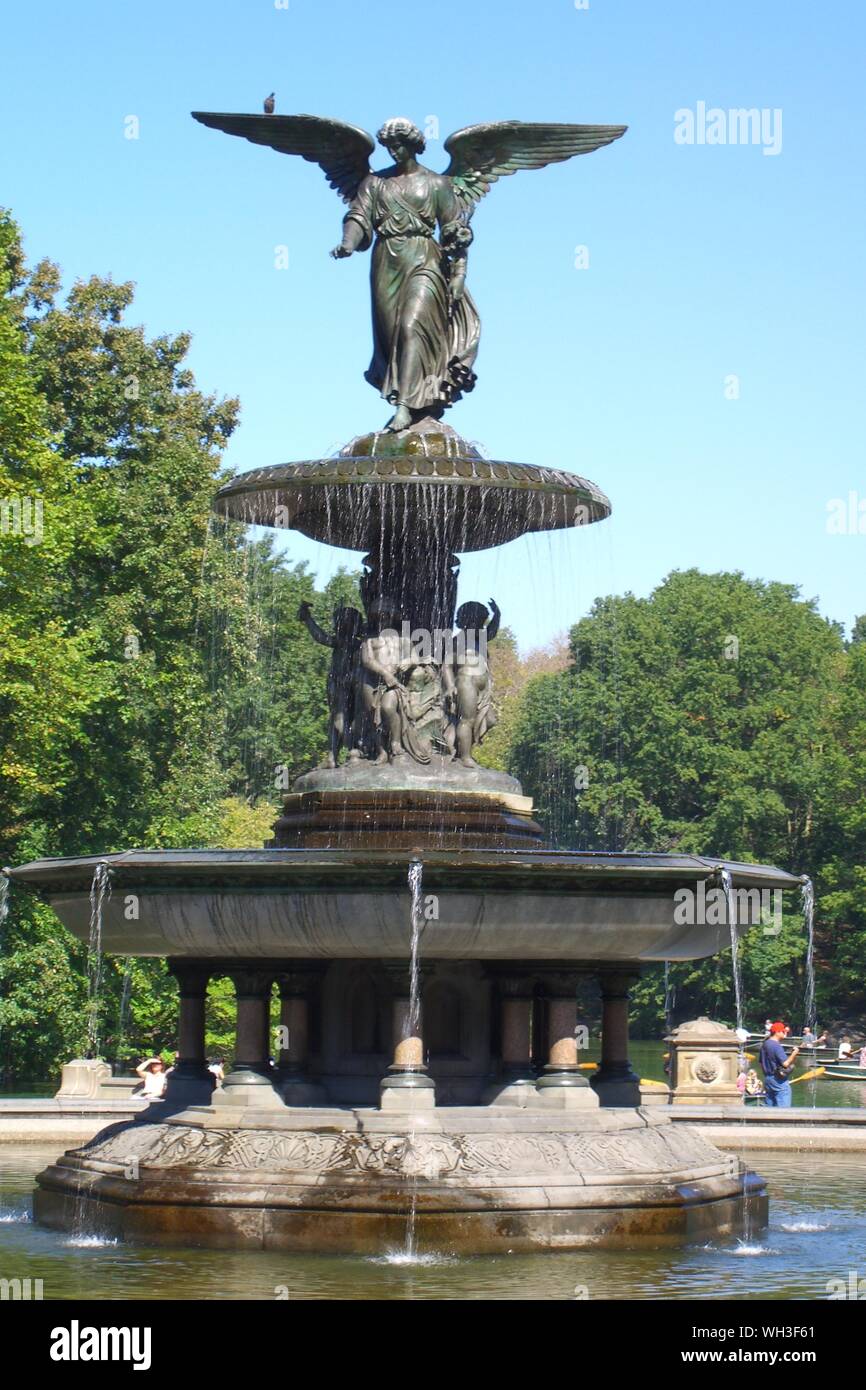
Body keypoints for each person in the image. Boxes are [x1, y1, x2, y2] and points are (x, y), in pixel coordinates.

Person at [759, 1021, 800, 1107]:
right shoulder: (776, 1045)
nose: (785, 1033)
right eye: (783, 1031)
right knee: (783, 1110)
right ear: (777, 1032)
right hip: (779, 1080)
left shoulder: (765, 1044)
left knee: (769, 1108)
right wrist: (794, 1053)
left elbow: (760, 1062)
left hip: (768, 1079)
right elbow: (785, 1064)